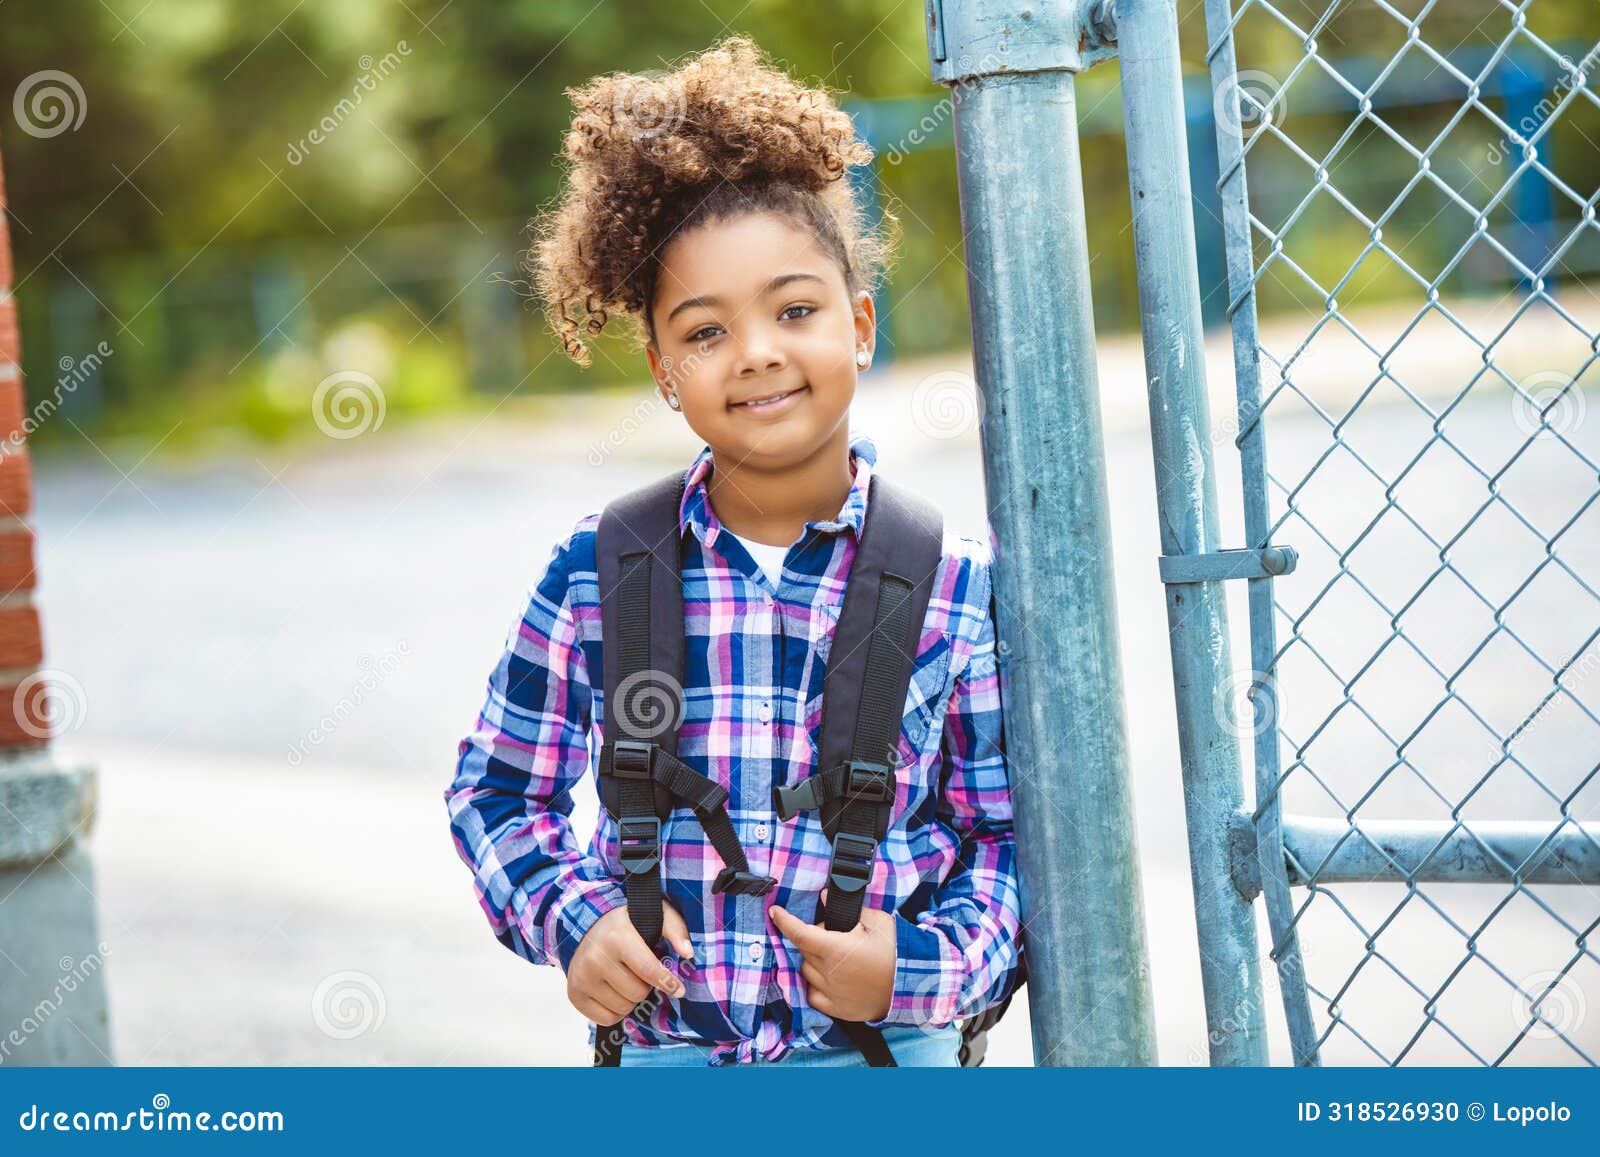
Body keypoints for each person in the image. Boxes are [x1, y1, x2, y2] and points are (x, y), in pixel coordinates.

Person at [444, 34, 1022, 1067]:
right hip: (670, 1066)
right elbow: (497, 794)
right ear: (664, 370)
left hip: (892, 1060)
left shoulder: (952, 579)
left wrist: (919, 969)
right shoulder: (596, 568)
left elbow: (1007, 840)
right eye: (705, 332)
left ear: (859, 325)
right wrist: (574, 923)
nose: (755, 351)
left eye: (794, 311)